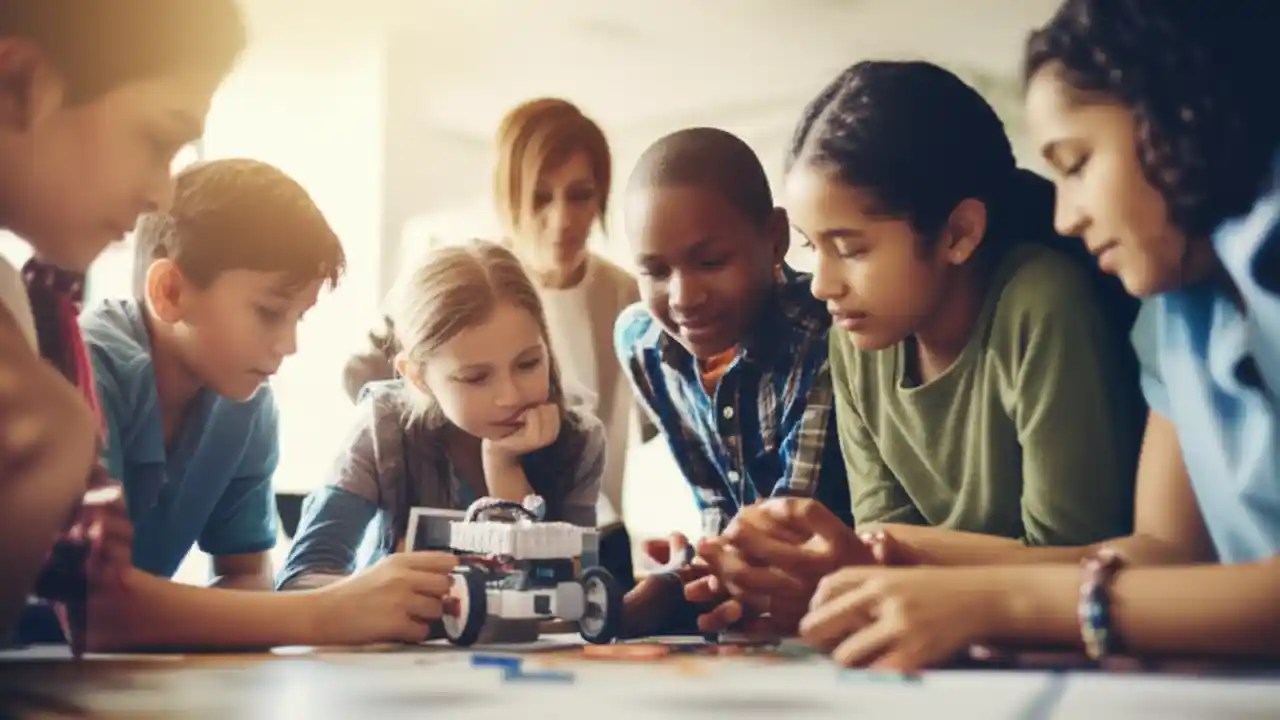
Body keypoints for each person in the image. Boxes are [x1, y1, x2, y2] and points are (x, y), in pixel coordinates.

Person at [279, 240, 604, 590]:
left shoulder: (578, 439)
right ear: (417, 377)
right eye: (476, 378)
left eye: (528, 363)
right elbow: (299, 579)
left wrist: (504, 467)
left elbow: (576, 595)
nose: (510, 396)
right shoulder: (384, 429)